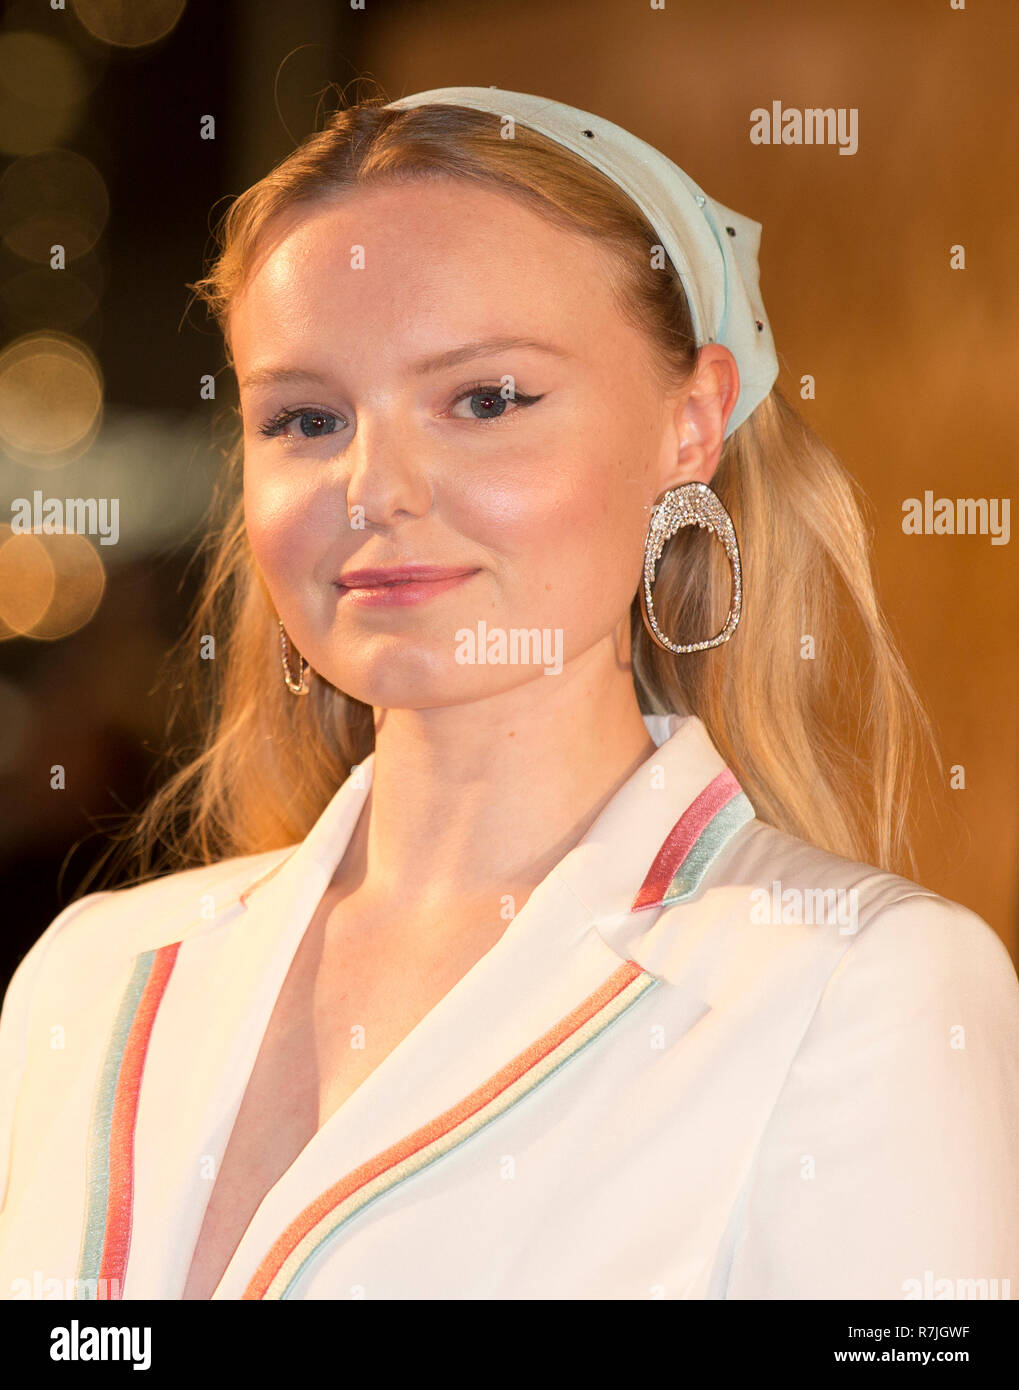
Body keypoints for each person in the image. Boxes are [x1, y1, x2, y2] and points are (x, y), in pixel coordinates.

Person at [1, 85, 1016, 1302]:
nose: (373, 489)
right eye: (306, 418)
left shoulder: (858, 987)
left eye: (484, 399)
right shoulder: (94, 972)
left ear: (687, 425)